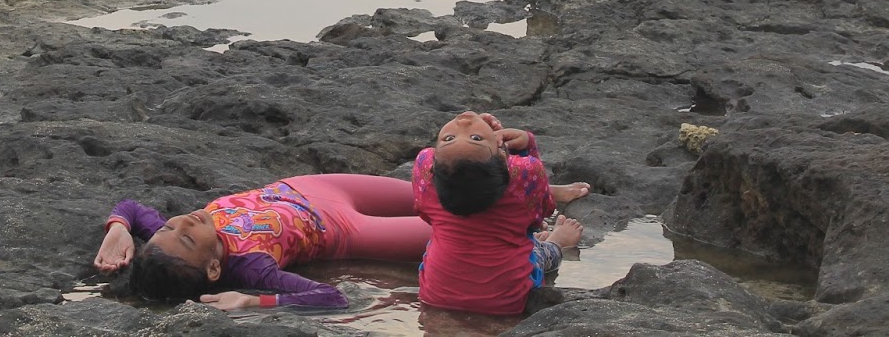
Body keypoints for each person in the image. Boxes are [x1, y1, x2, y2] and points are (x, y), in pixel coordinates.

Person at [94, 173, 430, 310]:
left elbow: (132, 208)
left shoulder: (175, 237)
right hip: (346, 228)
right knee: (460, 227)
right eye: (186, 237)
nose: (182, 221)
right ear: (213, 268)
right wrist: (255, 302)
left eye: (167, 227)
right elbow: (331, 296)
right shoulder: (252, 268)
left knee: (432, 190)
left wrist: (118, 229)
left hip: (306, 187)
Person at [412, 111, 590, 315]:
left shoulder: (426, 169)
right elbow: (542, 211)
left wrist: (491, 151)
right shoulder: (526, 172)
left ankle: (535, 241)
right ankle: (558, 242)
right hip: (507, 301)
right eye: (475, 138)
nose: (463, 121)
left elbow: (425, 214)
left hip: (434, 296)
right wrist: (526, 145)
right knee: (536, 250)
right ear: (502, 155)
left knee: (437, 239)